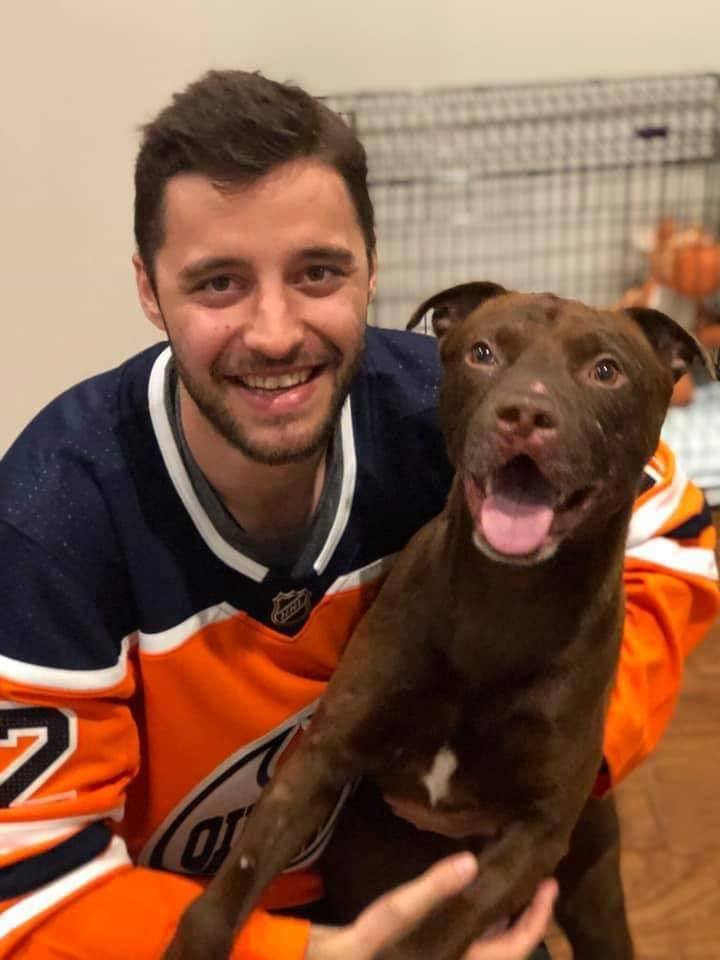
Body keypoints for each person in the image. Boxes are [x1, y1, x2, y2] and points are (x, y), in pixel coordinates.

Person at [0, 70, 717, 960]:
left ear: (372, 272)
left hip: (432, 872)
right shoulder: (50, 522)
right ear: (149, 289)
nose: (273, 331)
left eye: (317, 273)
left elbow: (676, 537)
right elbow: (27, 891)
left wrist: (574, 755)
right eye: (218, 282)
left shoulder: (448, 402)